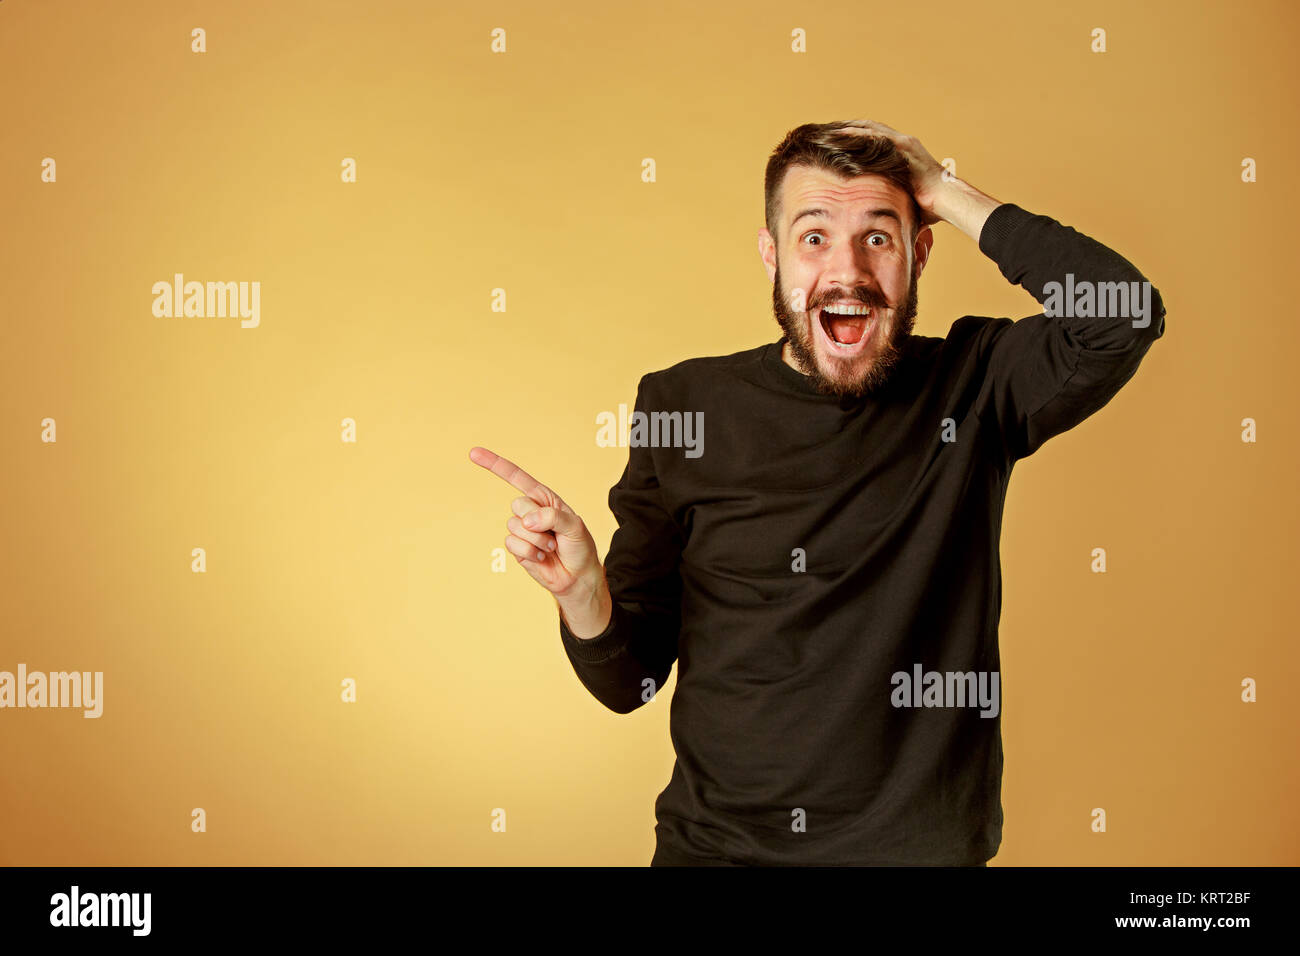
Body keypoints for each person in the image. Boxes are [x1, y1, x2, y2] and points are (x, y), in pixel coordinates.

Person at [470, 119, 1166, 866]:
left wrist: (944, 189)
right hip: (716, 853)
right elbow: (629, 684)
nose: (848, 271)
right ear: (771, 257)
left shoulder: (976, 384)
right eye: (813, 238)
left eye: (879, 236)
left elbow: (1123, 315)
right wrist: (583, 596)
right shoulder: (685, 406)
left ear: (920, 252)